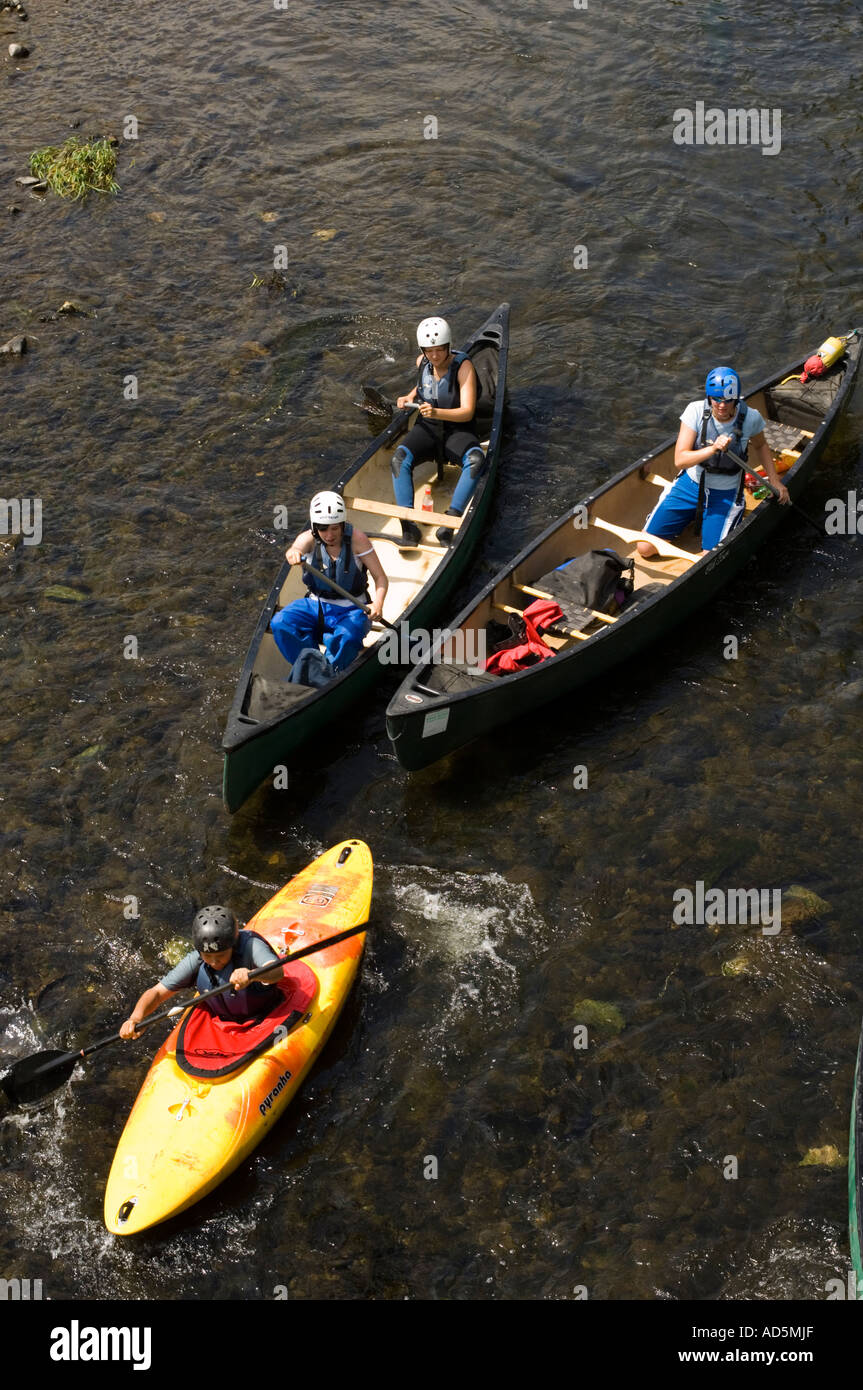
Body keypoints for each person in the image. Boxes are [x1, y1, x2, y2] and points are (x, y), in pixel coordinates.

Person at [637, 366, 790, 558]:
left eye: (728, 400)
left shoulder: (750, 417)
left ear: (735, 398)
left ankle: (724, 512)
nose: (722, 405)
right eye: (716, 399)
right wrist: (712, 449)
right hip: (690, 484)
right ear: (709, 397)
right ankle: (692, 514)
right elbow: (680, 460)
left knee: (708, 557)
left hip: (724, 493)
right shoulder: (695, 411)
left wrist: (775, 480)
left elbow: (761, 446)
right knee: (644, 549)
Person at [270, 491, 388, 682]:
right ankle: (312, 667)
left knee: (348, 637)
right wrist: (292, 553)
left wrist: (378, 604)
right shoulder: (307, 538)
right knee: (280, 622)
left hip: (352, 608)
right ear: (315, 527)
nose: (329, 535)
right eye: (323, 529)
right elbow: (295, 549)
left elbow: (380, 577)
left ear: (342, 524)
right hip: (316, 605)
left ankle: (331, 674)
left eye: (335, 528)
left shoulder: (358, 540)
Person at [120, 906, 286, 1038]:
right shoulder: (196, 960)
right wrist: (135, 1018)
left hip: (268, 1015)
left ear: (233, 945)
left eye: (221, 955)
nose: (214, 962)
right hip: (224, 1024)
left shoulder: (251, 945)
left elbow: (277, 971)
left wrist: (252, 975)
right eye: (207, 955)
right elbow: (156, 992)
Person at [392, 316, 486, 546]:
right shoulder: (422, 362)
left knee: (476, 459)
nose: (435, 356)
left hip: (457, 427)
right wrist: (410, 396)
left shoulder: (464, 368)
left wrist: (436, 413)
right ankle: (409, 525)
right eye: (429, 351)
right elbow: (424, 384)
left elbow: (467, 411)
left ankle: (450, 522)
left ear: (448, 346)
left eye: (440, 350)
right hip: (428, 427)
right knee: (399, 459)